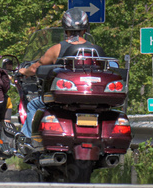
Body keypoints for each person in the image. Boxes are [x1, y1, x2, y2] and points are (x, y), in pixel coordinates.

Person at [17, 9, 101, 141]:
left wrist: (23, 72)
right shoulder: (94, 50)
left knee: (33, 105)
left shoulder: (58, 49)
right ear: (85, 30)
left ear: (65, 30)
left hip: (63, 97)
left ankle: (29, 140)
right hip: (90, 97)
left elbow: (34, 69)